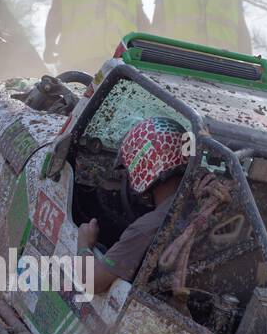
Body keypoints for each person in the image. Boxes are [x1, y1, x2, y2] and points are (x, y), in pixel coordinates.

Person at [77, 117, 188, 294]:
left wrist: (84, 244)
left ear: (143, 165)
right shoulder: (200, 200)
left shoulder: (147, 227)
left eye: (129, 169)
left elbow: (92, 284)